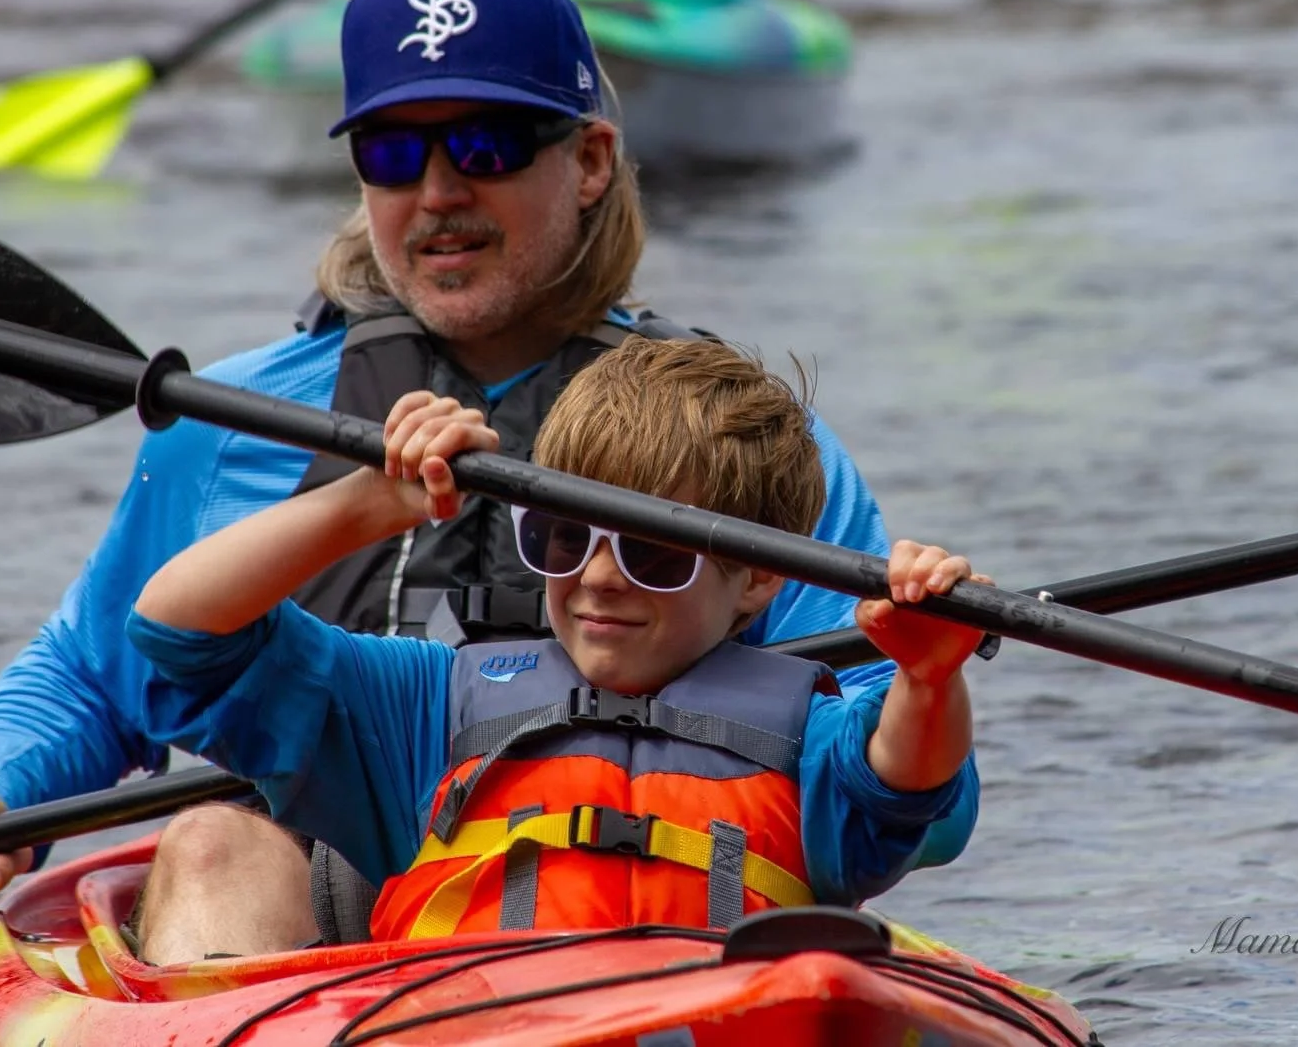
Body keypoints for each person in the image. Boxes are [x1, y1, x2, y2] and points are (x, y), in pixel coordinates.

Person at [0, 0, 959, 943]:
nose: (436, 194)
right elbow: (101, 670)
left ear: (587, 160)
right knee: (210, 842)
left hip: (670, 911)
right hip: (326, 926)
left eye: (483, 144)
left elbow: (891, 763)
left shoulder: (736, 445)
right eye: (391, 151)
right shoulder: (234, 418)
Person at [128, 338, 982, 957]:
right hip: (457, 1023)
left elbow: (911, 778)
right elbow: (179, 628)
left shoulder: (813, 730)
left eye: (652, 552)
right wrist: (361, 507)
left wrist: (928, 671)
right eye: (563, 538)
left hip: (710, 1016)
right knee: (210, 840)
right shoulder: (434, 706)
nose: (600, 577)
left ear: (756, 580)